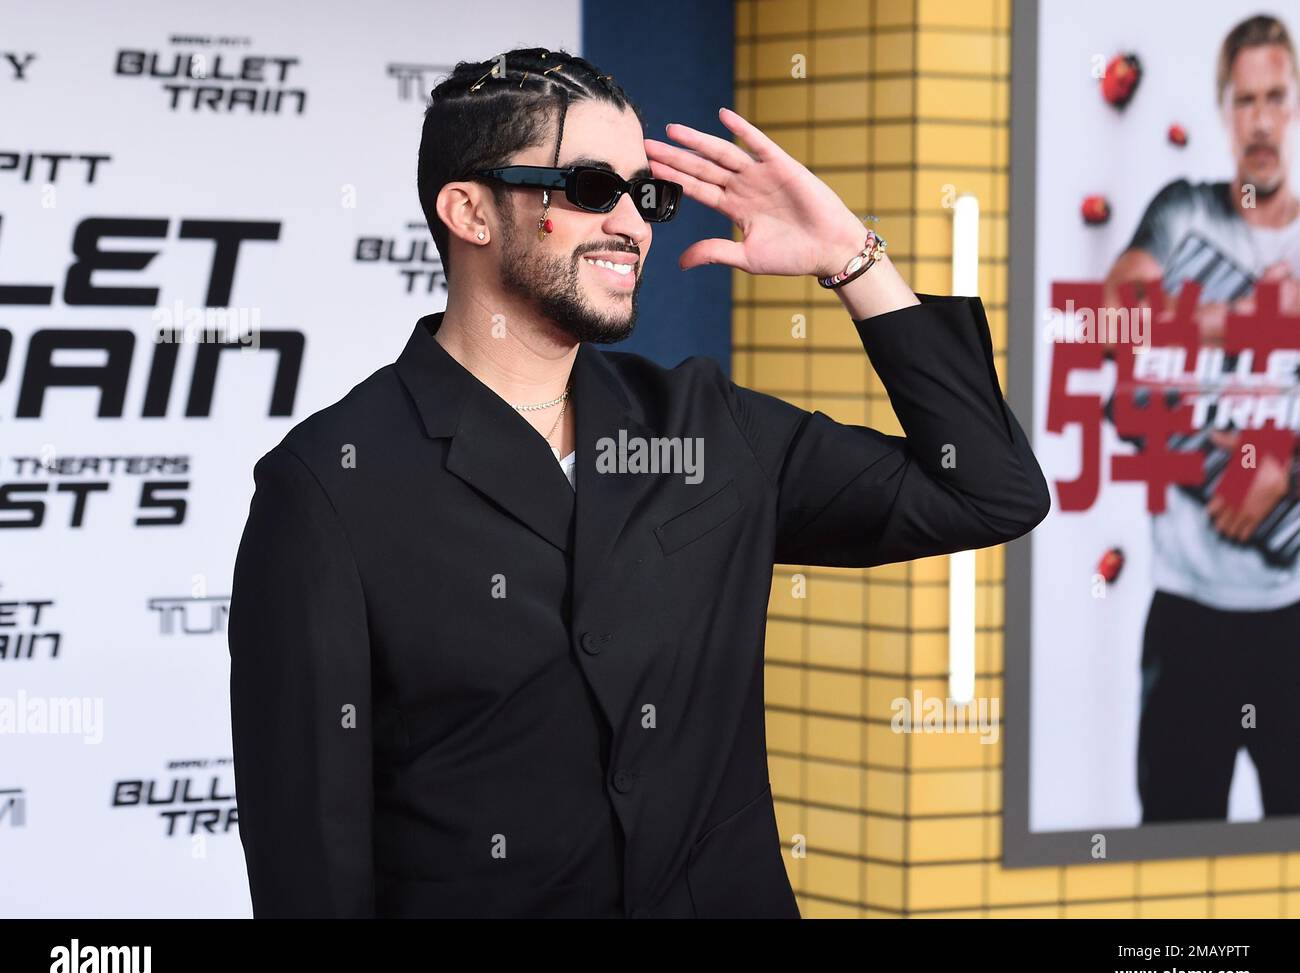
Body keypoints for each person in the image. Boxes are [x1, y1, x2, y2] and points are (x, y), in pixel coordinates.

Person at [227, 46, 1049, 918]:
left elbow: (987, 490)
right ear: (469, 210)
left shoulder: (707, 427)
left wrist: (852, 258)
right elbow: (311, 866)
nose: (633, 223)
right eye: (588, 188)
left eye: (645, 194)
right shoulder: (327, 488)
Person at [1103, 15, 1300, 822]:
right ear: (1223, 109)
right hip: (1185, 619)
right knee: (1171, 862)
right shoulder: (1183, 212)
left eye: (1275, 98)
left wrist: (1282, 461)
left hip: (1291, 616)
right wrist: (1245, 318)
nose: (1259, 118)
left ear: (1293, 107)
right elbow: (1114, 310)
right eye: (1244, 99)